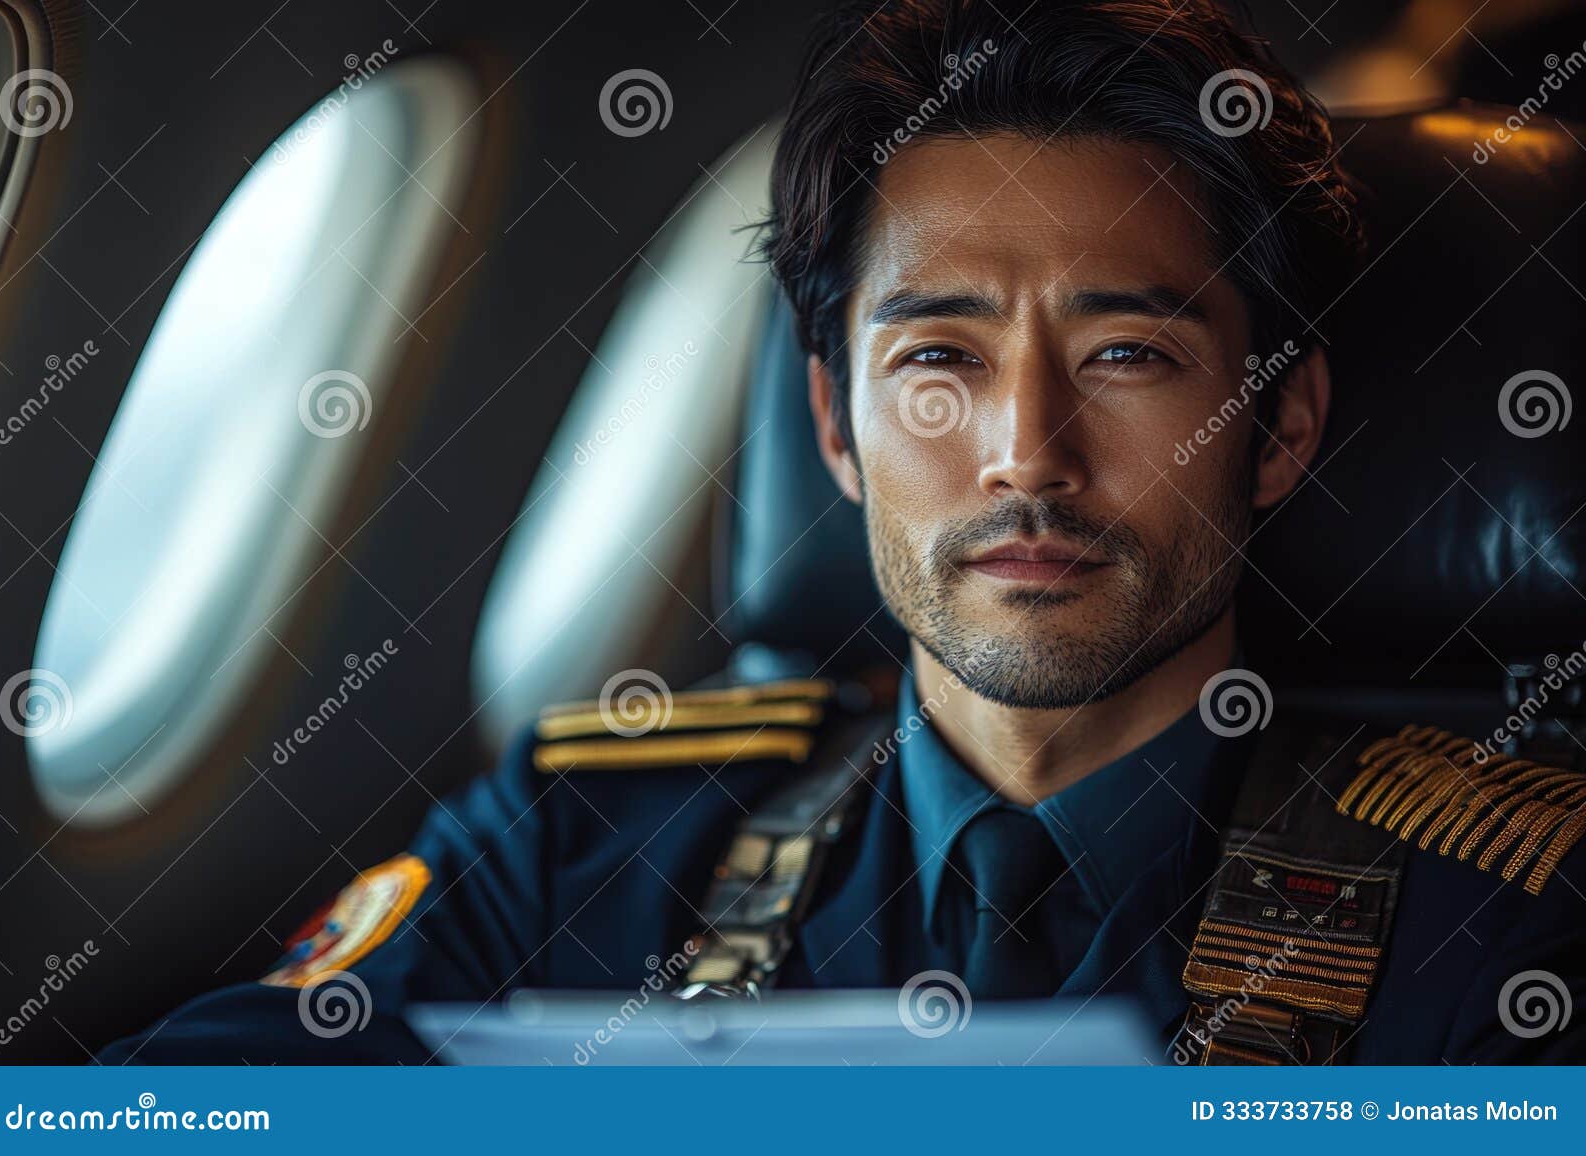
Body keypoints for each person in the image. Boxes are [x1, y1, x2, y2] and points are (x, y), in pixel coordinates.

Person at [98, 0, 1586, 1065]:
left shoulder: (1510, 923)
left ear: (1279, 427)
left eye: (1127, 355)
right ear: (833, 428)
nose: (1027, 456)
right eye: (938, 361)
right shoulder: (587, 843)